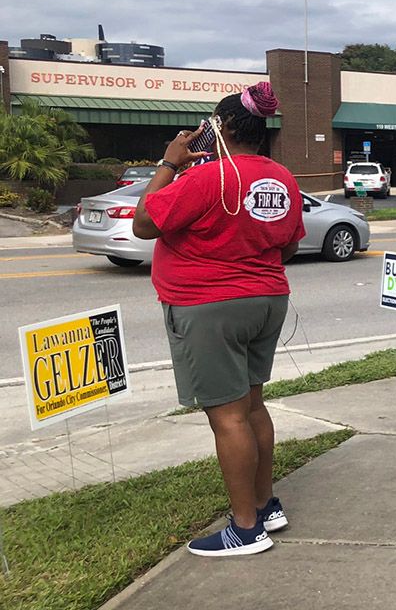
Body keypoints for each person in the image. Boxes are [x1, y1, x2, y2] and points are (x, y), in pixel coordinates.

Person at [132, 82, 301, 557]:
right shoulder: (282, 177)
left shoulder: (207, 178)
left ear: (220, 128)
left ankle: (245, 529)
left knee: (227, 417)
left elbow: (143, 223)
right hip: (267, 299)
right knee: (251, 406)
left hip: (208, 305)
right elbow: (288, 243)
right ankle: (266, 505)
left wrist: (170, 162)